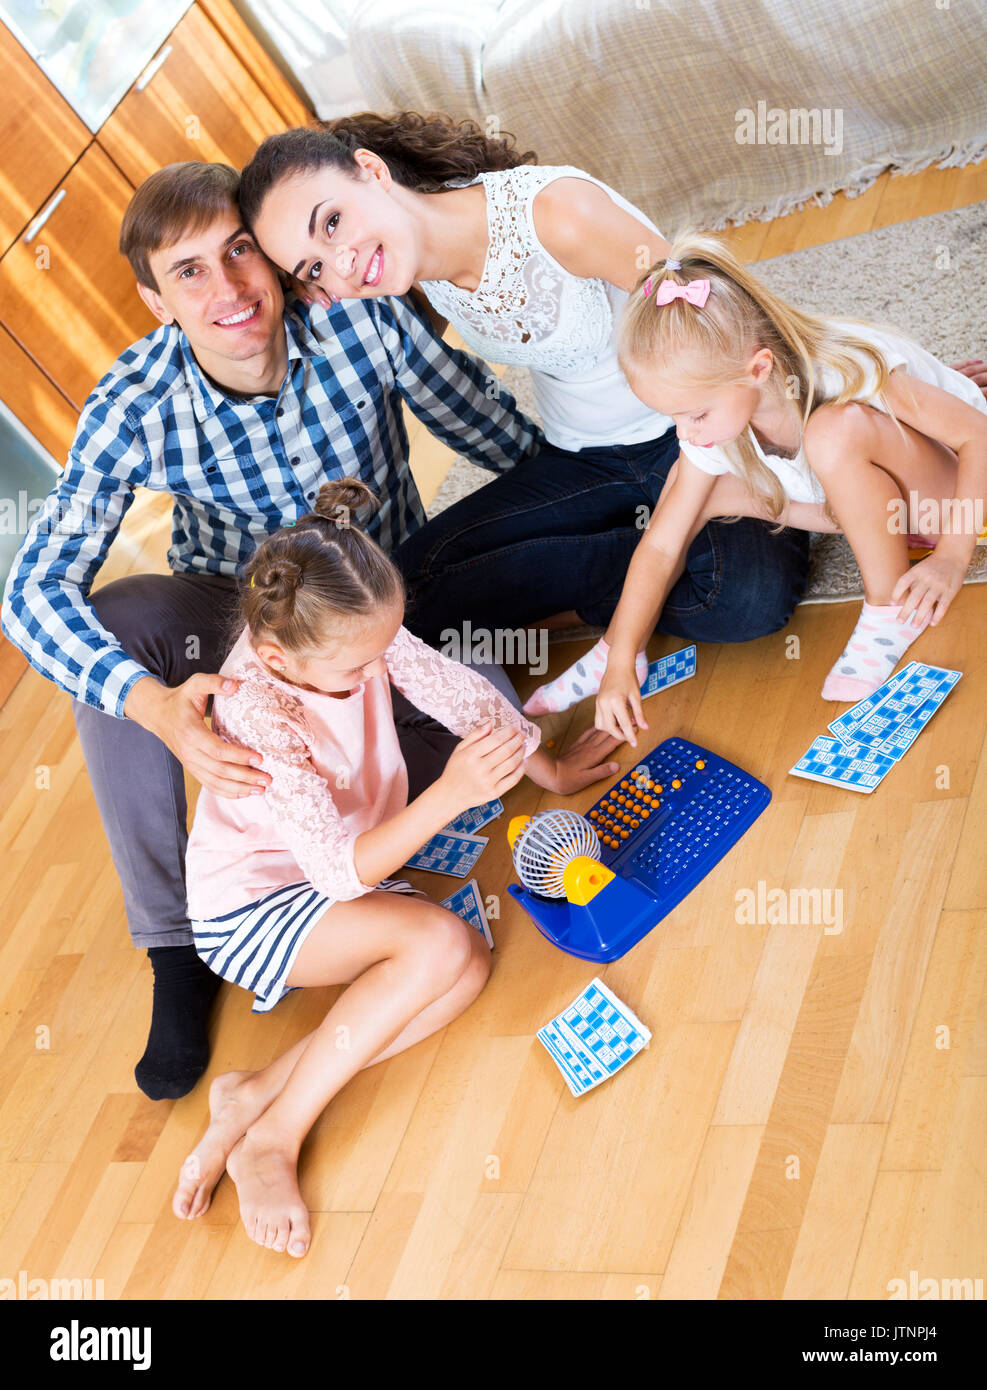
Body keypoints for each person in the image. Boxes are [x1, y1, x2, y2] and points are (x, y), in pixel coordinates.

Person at [0, 159, 547, 1102]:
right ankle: (178, 943)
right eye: (190, 273)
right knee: (116, 626)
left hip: (383, 611)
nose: (229, 290)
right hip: (233, 623)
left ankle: (332, 838)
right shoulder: (134, 402)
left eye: (240, 251)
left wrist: (609, 503)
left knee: (493, 708)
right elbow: (31, 591)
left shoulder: (354, 310)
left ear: (271, 250)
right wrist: (158, 709)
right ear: (155, 298)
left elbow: (486, 427)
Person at [172, 478, 620, 1256]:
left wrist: (545, 769)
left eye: (388, 646)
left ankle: (255, 1090)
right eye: (360, 665)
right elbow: (336, 874)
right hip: (258, 905)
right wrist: (449, 793)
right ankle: (271, 1138)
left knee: (467, 968)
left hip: (343, 871)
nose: (380, 669)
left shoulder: (355, 632)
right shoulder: (258, 709)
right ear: (279, 657)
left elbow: (461, 698)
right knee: (442, 949)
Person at [234, 112, 815, 695]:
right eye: (313, 267)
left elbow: (718, 318)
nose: (342, 266)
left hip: (698, 438)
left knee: (747, 599)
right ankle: (647, 565)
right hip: (586, 458)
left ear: (371, 170)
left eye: (331, 222)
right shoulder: (408, 274)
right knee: (405, 593)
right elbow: (435, 392)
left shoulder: (558, 215)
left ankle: (643, 569)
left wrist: (798, 443)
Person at [572, 233, 987, 746]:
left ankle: (886, 609)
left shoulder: (845, 367)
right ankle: (616, 642)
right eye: (673, 416)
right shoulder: (721, 411)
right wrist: (620, 657)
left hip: (949, 503)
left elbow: (977, 435)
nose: (684, 432)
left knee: (832, 432)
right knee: (701, 489)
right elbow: (660, 543)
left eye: (695, 413)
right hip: (880, 508)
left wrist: (952, 555)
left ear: (759, 369)